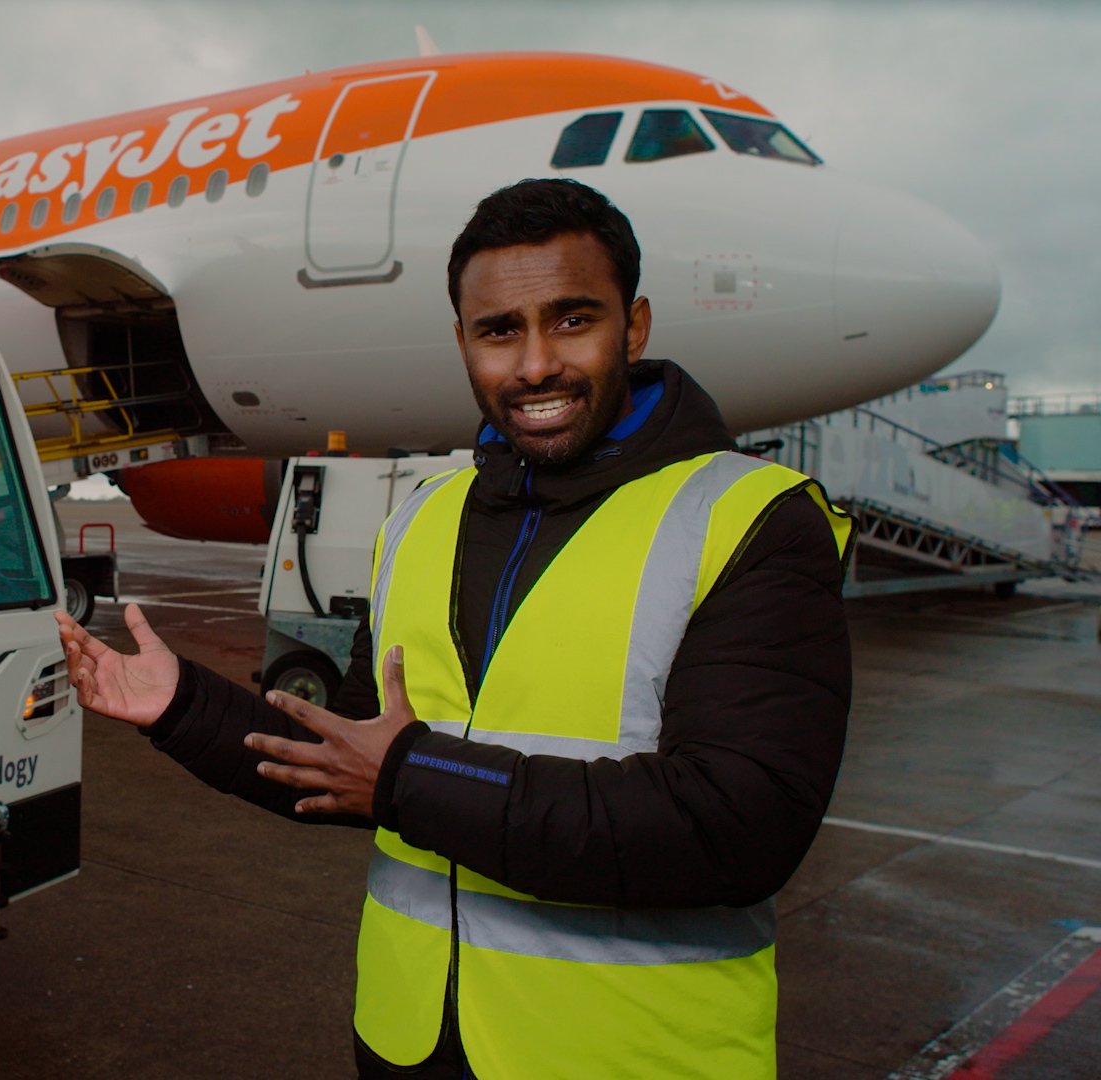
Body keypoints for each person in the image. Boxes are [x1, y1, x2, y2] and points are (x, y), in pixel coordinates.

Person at [55, 178, 853, 1079]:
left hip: (625, 1056)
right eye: (500, 331)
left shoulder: (748, 517)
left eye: (573, 319)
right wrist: (181, 706)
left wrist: (410, 773)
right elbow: (347, 756)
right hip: (411, 1042)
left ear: (633, 328)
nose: (536, 365)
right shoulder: (422, 523)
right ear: (464, 342)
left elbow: (735, 828)